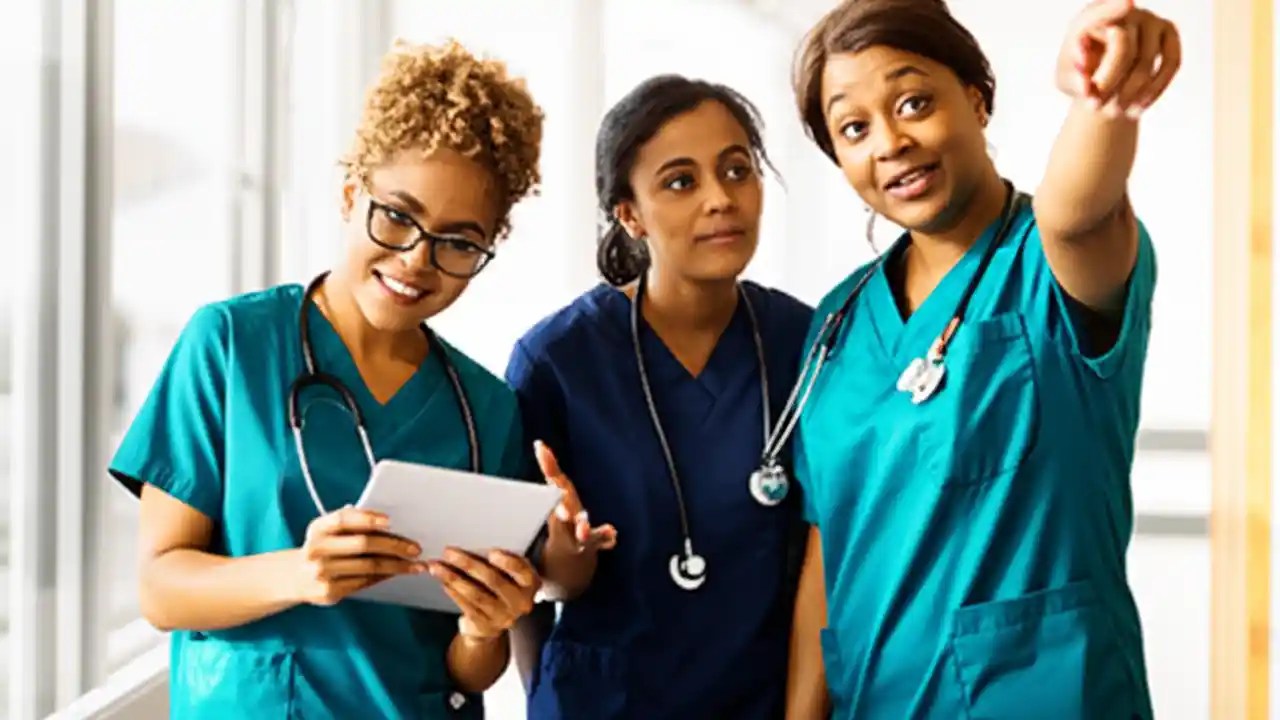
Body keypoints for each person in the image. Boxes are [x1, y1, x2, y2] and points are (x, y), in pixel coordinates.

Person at [109, 39, 546, 719]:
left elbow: (470, 670)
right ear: (352, 194)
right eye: (398, 216)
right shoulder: (230, 345)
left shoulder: (485, 407)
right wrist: (299, 573)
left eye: (458, 241)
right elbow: (162, 589)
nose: (416, 259)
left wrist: (483, 626)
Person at [782, 0, 1180, 717]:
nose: (890, 142)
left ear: (976, 96)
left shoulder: (1047, 264)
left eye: (914, 101)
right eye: (854, 128)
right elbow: (827, 545)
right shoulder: (837, 325)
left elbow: (1078, 210)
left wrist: (1101, 94)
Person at [504, 75, 814, 719]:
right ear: (629, 213)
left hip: (760, 701)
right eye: (681, 181)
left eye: (737, 171)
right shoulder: (558, 362)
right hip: (603, 701)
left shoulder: (804, 346)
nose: (720, 199)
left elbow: (830, 553)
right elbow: (523, 582)